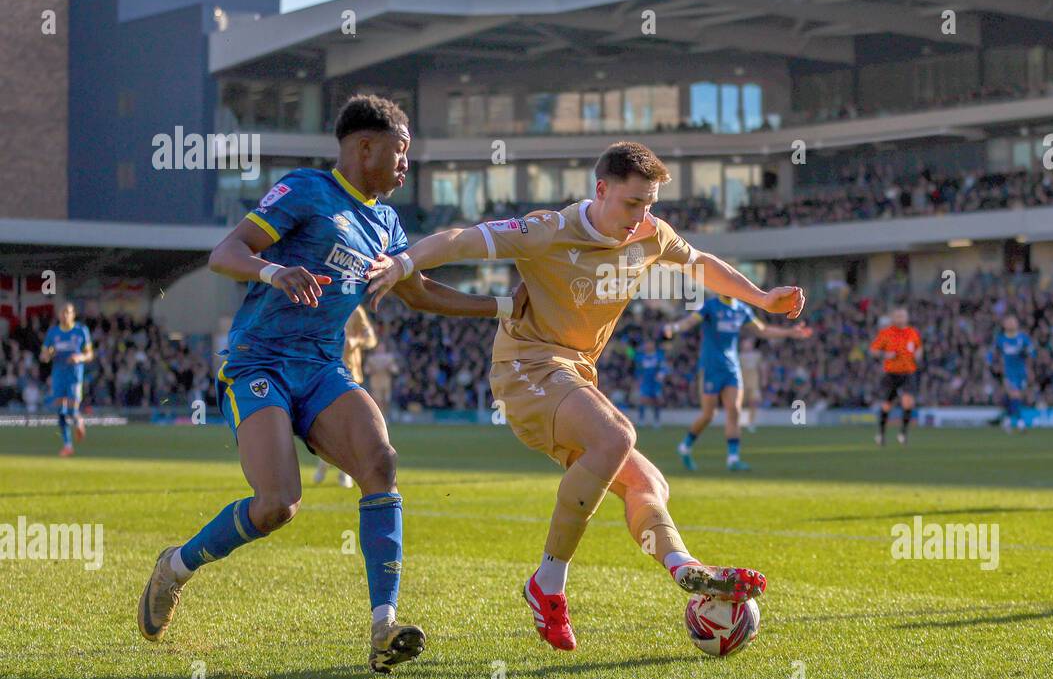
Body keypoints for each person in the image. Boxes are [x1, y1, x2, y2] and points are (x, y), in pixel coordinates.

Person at [367, 141, 807, 651]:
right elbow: (458, 241)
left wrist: (761, 297)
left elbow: (701, 263)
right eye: (632, 202)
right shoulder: (547, 231)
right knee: (617, 434)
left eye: (650, 204)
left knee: (649, 481)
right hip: (524, 371)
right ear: (601, 190)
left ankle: (684, 566)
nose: (642, 216)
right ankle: (547, 584)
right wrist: (402, 263)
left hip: (575, 375)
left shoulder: (651, 234)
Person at [137, 94, 518, 673]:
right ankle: (176, 566)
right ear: (364, 146)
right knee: (276, 506)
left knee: (380, 463)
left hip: (320, 369)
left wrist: (502, 305)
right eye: (400, 150)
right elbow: (226, 252)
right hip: (258, 363)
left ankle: (383, 627)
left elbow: (417, 292)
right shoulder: (306, 191)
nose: (405, 164)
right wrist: (273, 269)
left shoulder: (386, 221)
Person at [668, 295, 811, 472]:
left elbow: (762, 329)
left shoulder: (741, 309)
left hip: (732, 368)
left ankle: (733, 459)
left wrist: (789, 332)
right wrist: (674, 327)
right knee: (709, 414)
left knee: (734, 410)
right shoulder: (711, 306)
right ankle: (685, 447)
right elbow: (690, 322)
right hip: (711, 367)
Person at [314, 307, 377, 487]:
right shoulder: (324, 307)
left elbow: (371, 339)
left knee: (347, 427)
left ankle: (336, 469)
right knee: (333, 426)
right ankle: (330, 466)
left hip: (351, 374)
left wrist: (356, 341)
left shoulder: (356, 311)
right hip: (326, 372)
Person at [40, 302, 93, 456]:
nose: (65, 315)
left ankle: (79, 421)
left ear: (73, 314)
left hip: (74, 375)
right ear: (59, 315)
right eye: (63, 312)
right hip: (58, 374)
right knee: (60, 410)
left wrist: (80, 357)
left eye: (68, 312)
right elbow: (44, 355)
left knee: (71, 409)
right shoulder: (53, 332)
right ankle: (68, 446)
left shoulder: (81, 331)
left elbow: (90, 354)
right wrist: (47, 355)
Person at [869, 305, 922, 446]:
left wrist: (918, 354)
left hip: (908, 373)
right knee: (887, 405)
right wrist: (885, 354)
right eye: (898, 316)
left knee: (908, 402)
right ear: (893, 318)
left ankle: (903, 434)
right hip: (891, 374)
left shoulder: (912, 333)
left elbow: (918, 348)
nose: (900, 319)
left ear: (907, 318)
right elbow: (873, 350)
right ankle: (881, 434)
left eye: (903, 316)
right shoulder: (886, 333)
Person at [988, 314, 1036, 432]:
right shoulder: (1000, 339)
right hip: (1009, 373)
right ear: (1004, 325)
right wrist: (991, 364)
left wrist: (1028, 354)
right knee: (1015, 395)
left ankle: (1007, 420)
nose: (1011, 324)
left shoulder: (1023, 338)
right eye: (1008, 322)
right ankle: (1021, 423)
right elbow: (991, 353)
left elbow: (1033, 352)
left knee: (1016, 398)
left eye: (1013, 322)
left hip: (1021, 372)